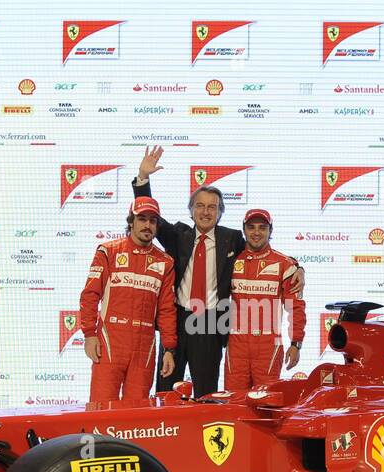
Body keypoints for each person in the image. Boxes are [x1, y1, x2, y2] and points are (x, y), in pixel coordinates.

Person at [132, 145, 303, 396]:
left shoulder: (232, 239)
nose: (205, 212)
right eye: (200, 206)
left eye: (212, 207)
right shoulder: (178, 235)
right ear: (191, 211)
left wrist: (298, 266)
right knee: (166, 391)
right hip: (177, 321)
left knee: (206, 394)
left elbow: (262, 248)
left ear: (220, 212)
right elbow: (147, 213)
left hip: (211, 323)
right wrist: (143, 179)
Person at [79, 196, 176, 402]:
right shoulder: (108, 251)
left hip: (144, 345)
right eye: (142, 219)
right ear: (131, 221)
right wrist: (89, 334)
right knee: (101, 407)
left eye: (152, 220)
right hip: (110, 340)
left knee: (136, 414)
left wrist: (169, 349)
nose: (147, 225)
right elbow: (90, 295)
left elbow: (167, 309)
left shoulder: (165, 262)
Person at [226, 208, 307, 391]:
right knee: (234, 403)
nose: (256, 232)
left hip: (268, 346)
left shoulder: (285, 265)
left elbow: (296, 308)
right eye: (251, 227)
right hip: (236, 344)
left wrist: (296, 344)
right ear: (244, 230)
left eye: (262, 227)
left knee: (265, 403)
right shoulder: (230, 261)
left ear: (270, 231)